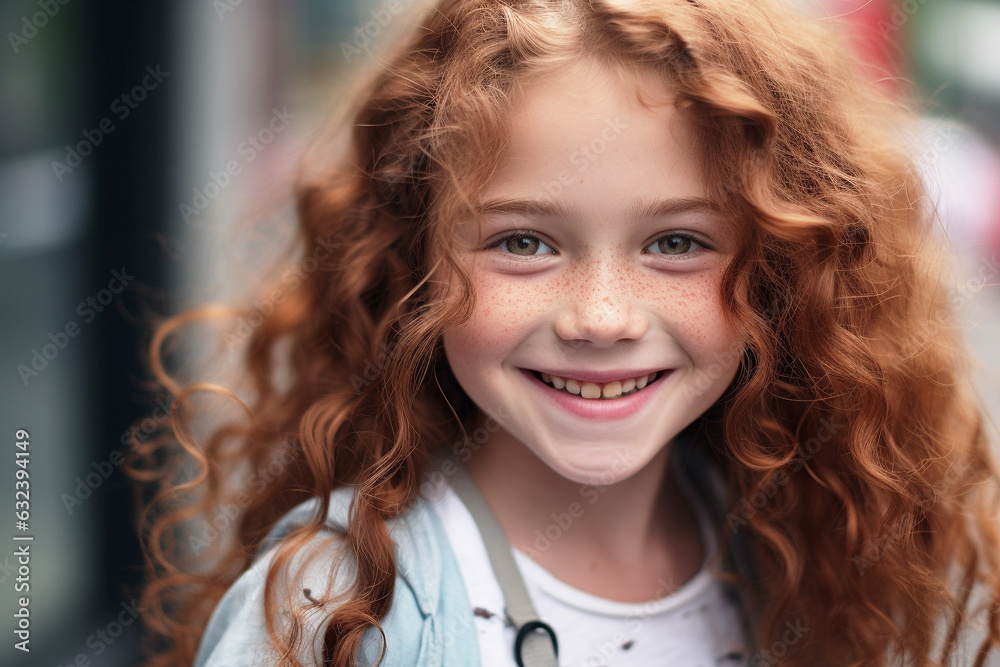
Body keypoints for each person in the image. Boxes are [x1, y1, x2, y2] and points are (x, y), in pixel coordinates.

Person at [127, 1, 1000, 665]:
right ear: (413, 260)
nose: (601, 317)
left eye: (676, 242)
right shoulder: (337, 606)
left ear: (778, 273)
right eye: (524, 242)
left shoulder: (780, 548)